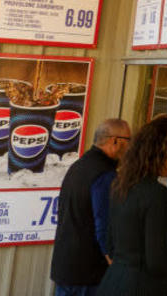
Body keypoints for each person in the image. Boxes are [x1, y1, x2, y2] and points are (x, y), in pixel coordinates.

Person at [97, 115, 167, 296]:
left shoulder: (122, 184)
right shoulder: (156, 194)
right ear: (166, 152)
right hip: (140, 287)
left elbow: (117, 244)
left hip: (113, 283)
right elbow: (156, 262)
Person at [50, 118, 132, 296]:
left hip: (66, 267)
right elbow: (103, 226)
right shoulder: (104, 175)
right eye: (128, 141)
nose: (130, 148)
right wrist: (115, 265)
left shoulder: (79, 166)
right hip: (88, 274)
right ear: (115, 141)